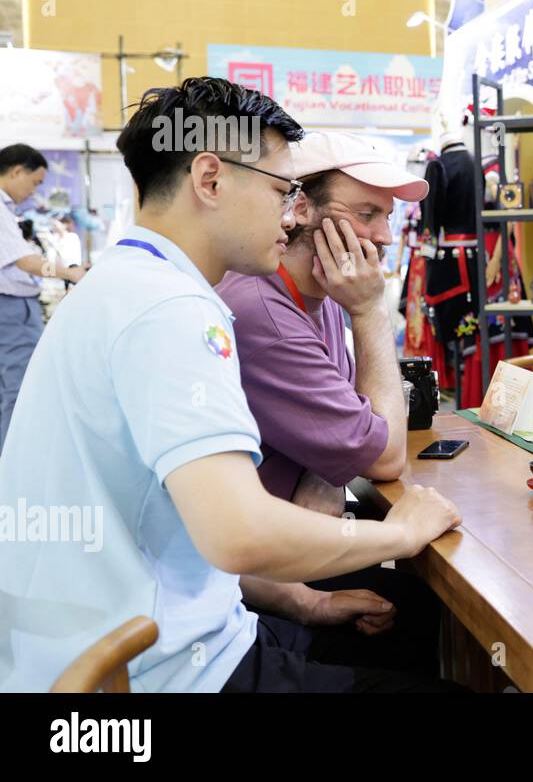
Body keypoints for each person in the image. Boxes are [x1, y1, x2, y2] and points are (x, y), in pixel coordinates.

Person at [0, 78, 461, 692]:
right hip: (153, 673)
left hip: (161, 638)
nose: (289, 213)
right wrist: (399, 533)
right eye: (280, 191)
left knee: (403, 623)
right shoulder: (172, 310)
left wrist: (305, 602)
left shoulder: (131, 284)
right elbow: (239, 532)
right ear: (211, 179)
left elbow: (195, 529)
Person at [215, 131, 444, 679]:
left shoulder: (320, 295)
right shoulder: (266, 309)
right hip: (244, 587)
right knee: (411, 608)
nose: (385, 236)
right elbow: (383, 455)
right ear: (298, 206)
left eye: (387, 217)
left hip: (276, 555)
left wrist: (344, 454)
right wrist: (371, 313)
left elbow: (356, 438)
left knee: (408, 603)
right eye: (366, 213)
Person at [0, 143, 85, 447]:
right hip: (10, 309)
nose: (34, 191)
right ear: (17, 171)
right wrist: (70, 273)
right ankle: (13, 467)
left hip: (12, 307)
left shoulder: (10, 212)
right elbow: (24, 261)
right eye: (35, 182)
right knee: (19, 389)